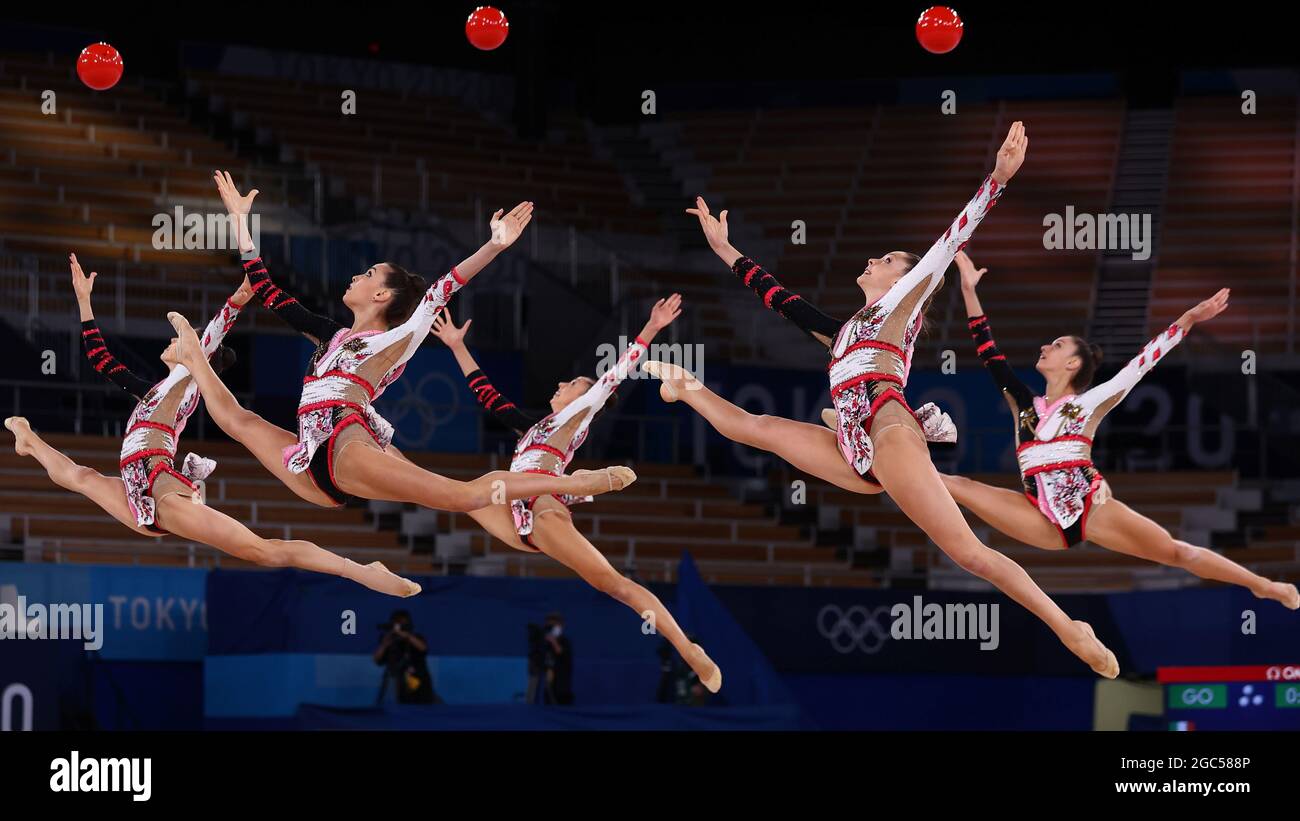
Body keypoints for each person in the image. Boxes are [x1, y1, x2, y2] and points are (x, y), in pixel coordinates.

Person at [646, 122, 1120, 677]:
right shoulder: (845, 328)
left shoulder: (901, 305)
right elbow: (780, 299)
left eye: (890, 258)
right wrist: (726, 249)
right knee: (757, 428)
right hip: (856, 444)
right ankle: (688, 387)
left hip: (887, 425)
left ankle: (1070, 627)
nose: (877, 260)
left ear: (907, 277)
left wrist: (997, 179)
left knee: (967, 553)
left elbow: (952, 240)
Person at [164, 171, 637, 519]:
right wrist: (241, 224)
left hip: (346, 444)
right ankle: (192, 352)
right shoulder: (331, 333)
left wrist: (494, 246)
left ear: (383, 295)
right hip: (308, 461)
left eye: (368, 274)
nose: (356, 275)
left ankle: (572, 482)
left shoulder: (396, 339)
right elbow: (268, 289)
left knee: (460, 495)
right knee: (237, 420)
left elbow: (442, 289)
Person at [5, 255, 417, 596]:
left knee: (262, 551)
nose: (172, 345)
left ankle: (361, 571)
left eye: (184, 343)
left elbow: (213, 336)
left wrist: (236, 301)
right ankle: (29, 441)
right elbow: (101, 360)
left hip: (161, 485)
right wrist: (84, 303)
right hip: (136, 492)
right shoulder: (151, 391)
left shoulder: (186, 383)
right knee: (82, 476)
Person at [932, 250, 1297, 609]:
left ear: (1073, 363)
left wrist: (1188, 319)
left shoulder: (1091, 402)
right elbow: (989, 353)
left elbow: (1142, 363)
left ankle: (1262, 585)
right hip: (1037, 516)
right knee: (955, 484)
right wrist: (968, 289)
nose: (1045, 346)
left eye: (1056, 345)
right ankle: (882, 467)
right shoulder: (1024, 403)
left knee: (1174, 551)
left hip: (1091, 508)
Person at [431, 298, 722, 692]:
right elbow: (489, 397)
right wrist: (456, 345)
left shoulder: (576, 416)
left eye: (570, 385)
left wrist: (651, 328)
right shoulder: (535, 427)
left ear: (584, 400)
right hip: (516, 518)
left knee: (613, 584)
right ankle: (579, 484)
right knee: (449, 495)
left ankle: (688, 649)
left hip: (541, 506)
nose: (560, 385)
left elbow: (615, 375)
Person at [373, 610, 439, 704]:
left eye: (402, 624)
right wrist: (385, 644)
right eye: (397, 623)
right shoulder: (390, 640)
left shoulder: (415, 637)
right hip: (400, 684)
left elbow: (423, 648)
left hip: (419, 682)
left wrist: (406, 636)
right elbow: (376, 659)